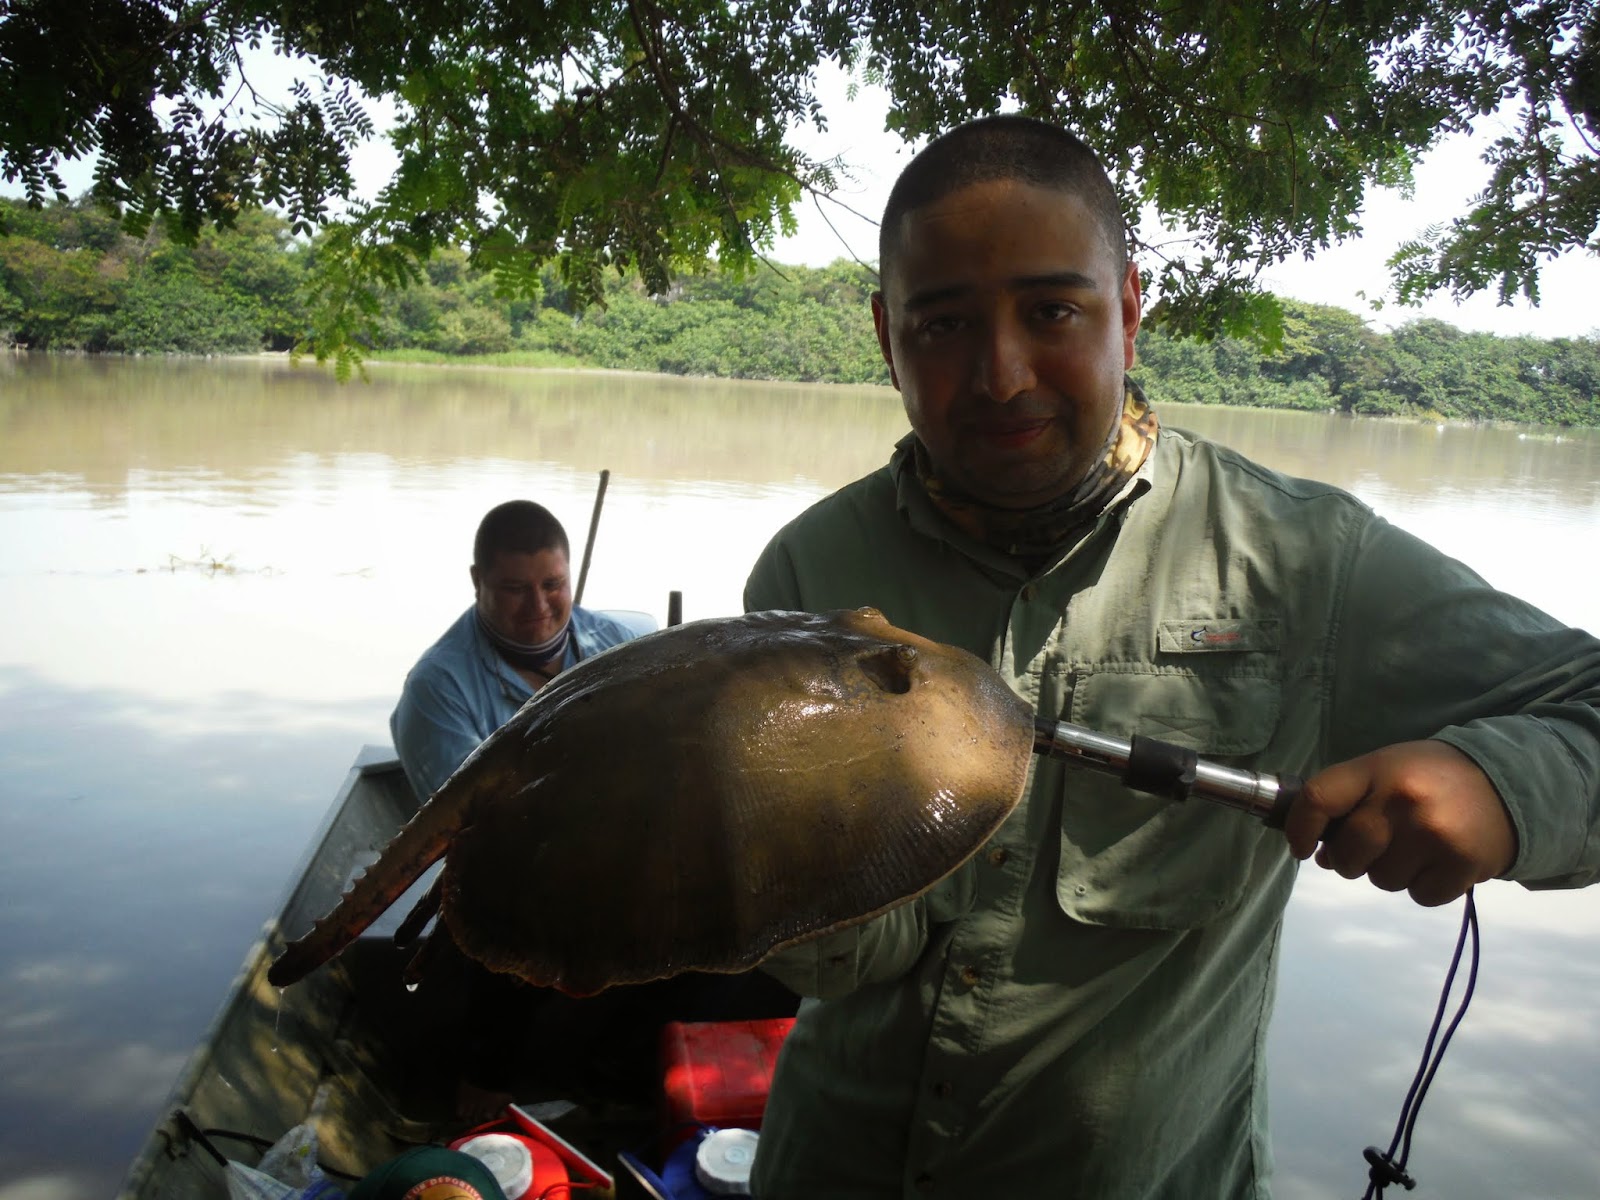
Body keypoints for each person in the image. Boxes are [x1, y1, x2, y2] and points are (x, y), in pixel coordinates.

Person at [742, 115, 1600, 1198]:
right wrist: (749, 871)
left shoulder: (1302, 561)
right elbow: (845, 959)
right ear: (885, 334)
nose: (1001, 375)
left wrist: (1500, 785)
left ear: (1130, 308)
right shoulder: (808, 570)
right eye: (944, 324)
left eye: (1052, 311)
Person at [391, 498, 641, 803]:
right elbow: (468, 821)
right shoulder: (437, 688)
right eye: (515, 589)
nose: (538, 606)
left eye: (552, 584)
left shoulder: (622, 645)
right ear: (477, 580)